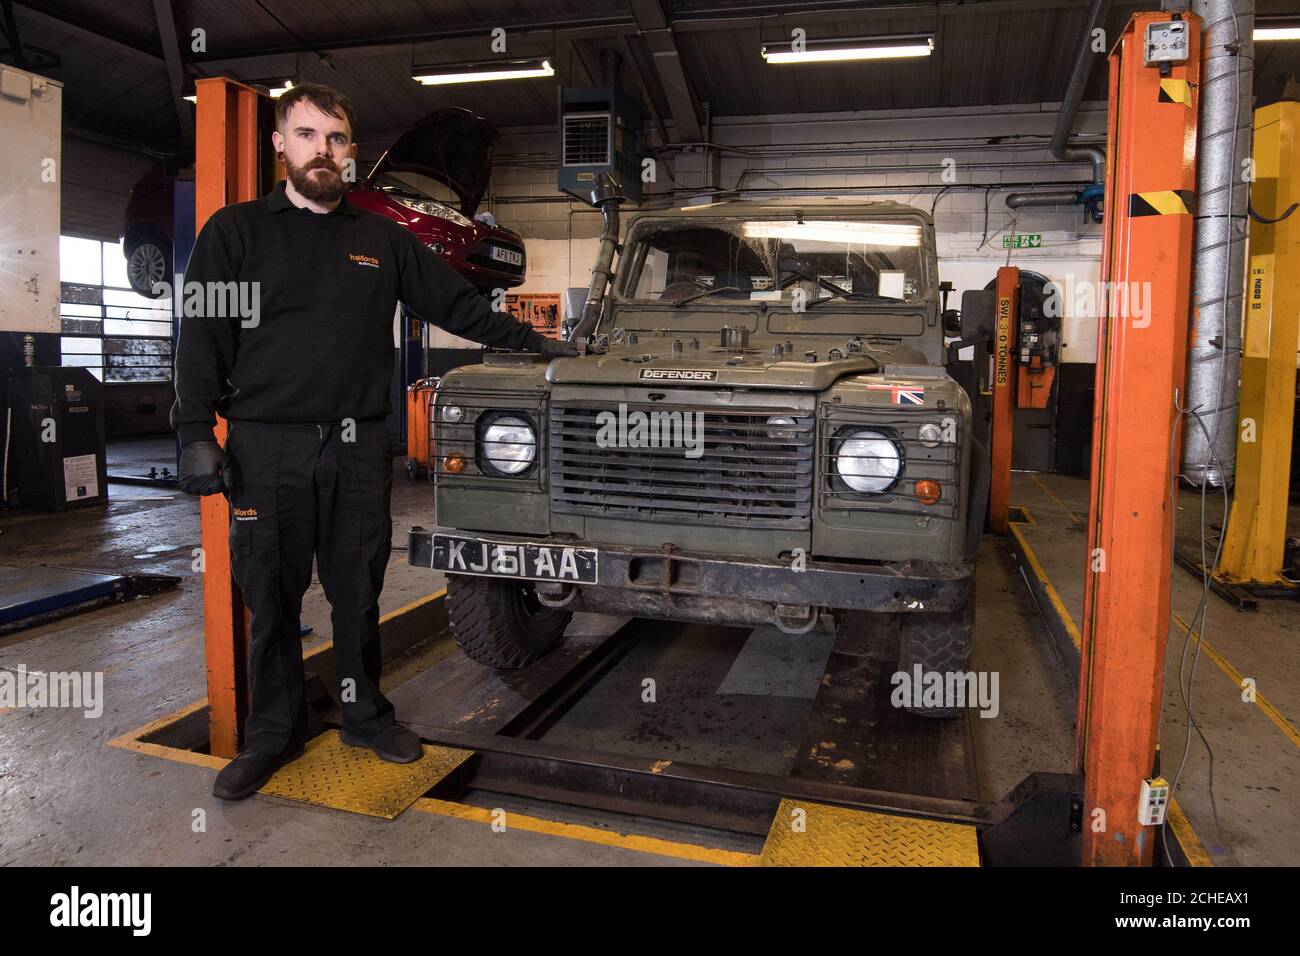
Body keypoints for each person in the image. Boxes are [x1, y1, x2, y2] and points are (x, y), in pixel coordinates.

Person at [172, 83, 574, 801]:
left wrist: (540, 346)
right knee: (270, 597)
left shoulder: (380, 239)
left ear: (350, 151)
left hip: (358, 448)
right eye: (305, 135)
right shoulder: (234, 234)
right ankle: (272, 733)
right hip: (266, 450)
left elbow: (456, 303)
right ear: (280, 145)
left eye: (334, 138)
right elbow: (201, 337)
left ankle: (363, 713)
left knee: (358, 592)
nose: (320, 150)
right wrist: (194, 432)